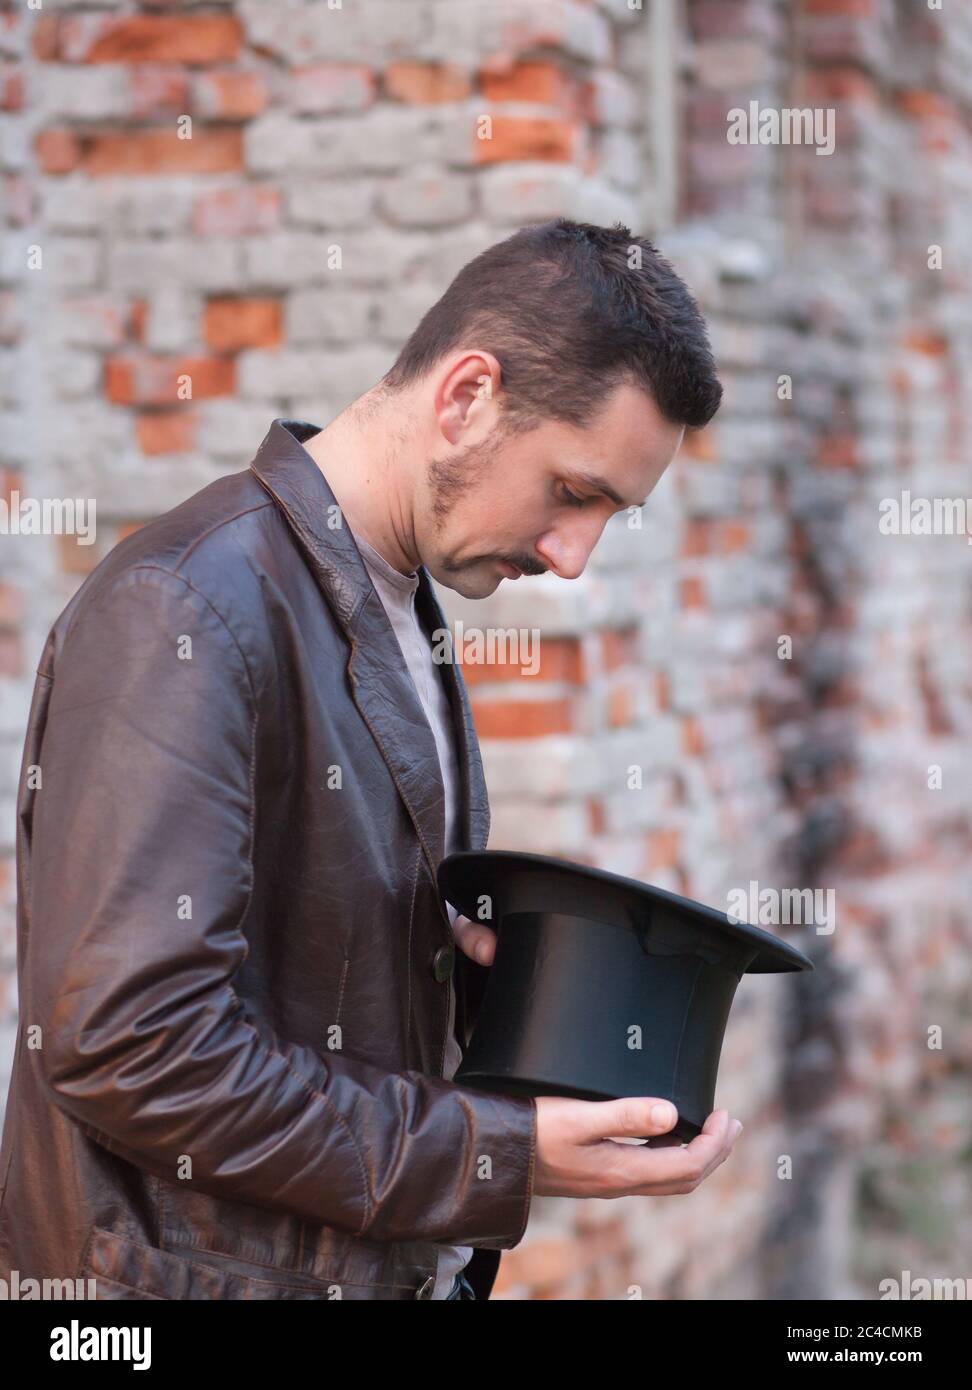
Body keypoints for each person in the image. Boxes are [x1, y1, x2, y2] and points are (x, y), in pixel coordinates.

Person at [0, 218, 741, 1302]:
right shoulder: (187, 607)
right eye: (573, 492)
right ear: (465, 398)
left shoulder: (402, 609)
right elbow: (129, 1044)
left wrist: (487, 987)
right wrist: (497, 1151)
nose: (572, 556)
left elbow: (301, 964)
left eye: (609, 516)